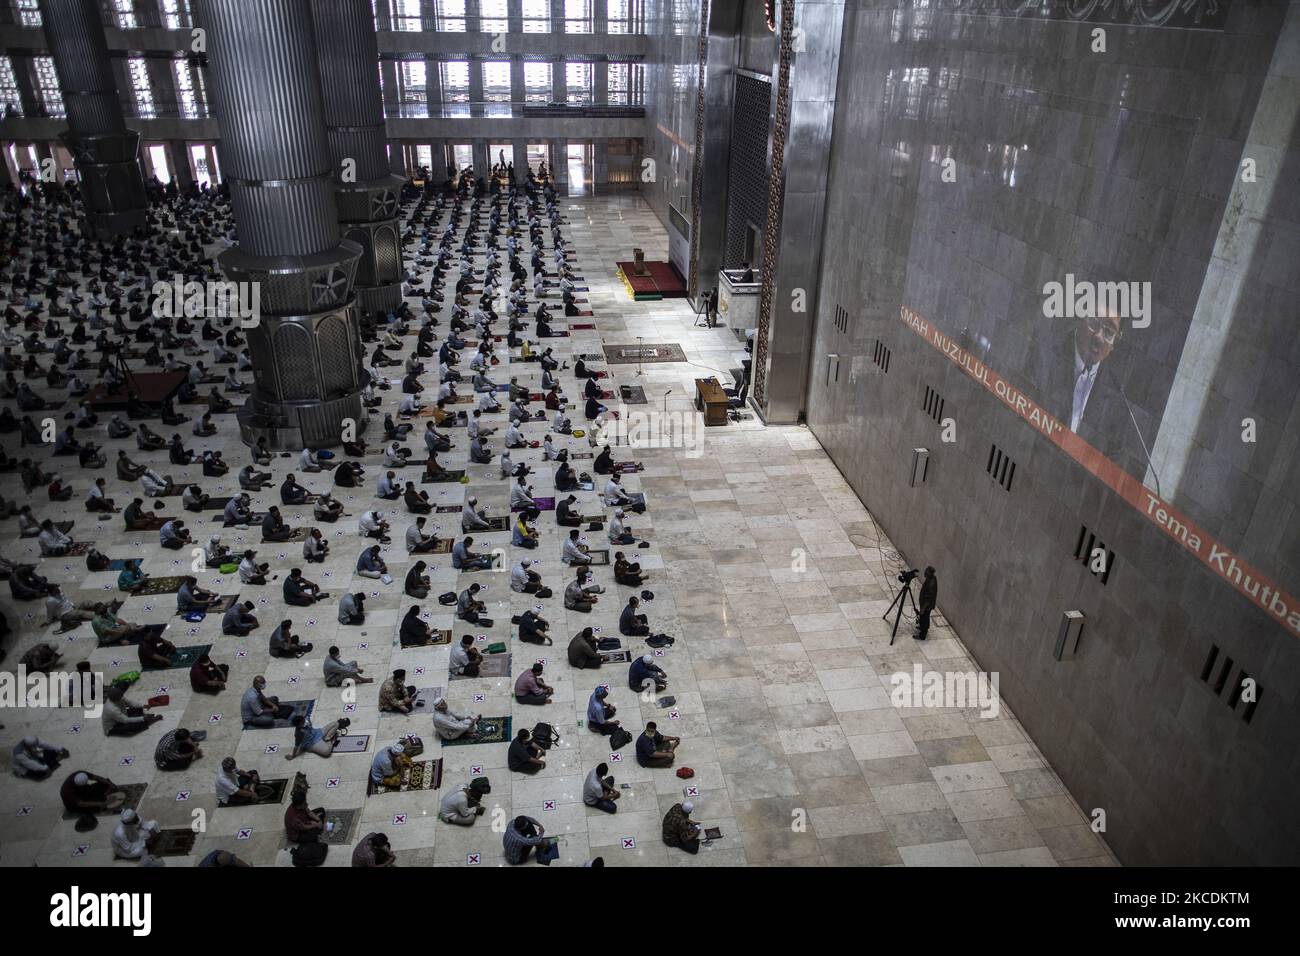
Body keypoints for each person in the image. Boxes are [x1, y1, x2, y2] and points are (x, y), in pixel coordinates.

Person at [60, 770, 127, 818]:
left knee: (105, 783)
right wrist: (99, 804)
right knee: (95, 807)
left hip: (85, 790)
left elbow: (96, 777)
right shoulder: (67, 792)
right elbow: (81, 803)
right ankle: (99, 799)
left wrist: (109, 784)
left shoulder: (80, 773)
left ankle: (100, 796)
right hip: (75, 804)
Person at [915, 566, 937, 641]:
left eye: (926, 572)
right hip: (925, 604)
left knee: (924, 618)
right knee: (924, 617)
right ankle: (922, 627)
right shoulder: (930, 578)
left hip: (927, 605)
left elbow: (928, 598)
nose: (924, 573)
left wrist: (923, 609)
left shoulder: (931, 583)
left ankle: (922, 635)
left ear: (929, 573)